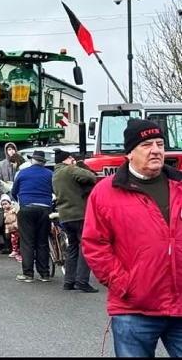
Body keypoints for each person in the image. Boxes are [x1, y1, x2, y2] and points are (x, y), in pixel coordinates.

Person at [83, 119, 182, 357]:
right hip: (133, 309)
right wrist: (125, 284)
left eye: (159, 143)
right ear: (130, 153)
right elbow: (95, 245)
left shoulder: (179, 185)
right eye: (147, 144)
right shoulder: (106, 192)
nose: (156, 150)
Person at [51, 148, 97, 293]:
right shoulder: (70, 170)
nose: (72, 160)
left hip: (65, 216)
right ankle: (82, 280)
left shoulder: (55, 174)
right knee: (86, 246)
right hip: (79, 214)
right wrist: (79, 165)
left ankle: (69, 281)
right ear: (66, 159)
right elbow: (90, 176)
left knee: (72, 247)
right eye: (70, 158)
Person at [12, 149, 53, 283]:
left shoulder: (22, 173)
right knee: (42, 241)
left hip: (27, 208)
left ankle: (28, 274)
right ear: (43, 162)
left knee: (27, 241)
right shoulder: (49, 174)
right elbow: (54, 190)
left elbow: (14, 192)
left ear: (31, 160)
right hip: (45, 209)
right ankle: (44, 274)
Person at [0, 194, 21, 261]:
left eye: (5, 204)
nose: (4, 206)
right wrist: (7, 230)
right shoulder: (5, 213)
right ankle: (15, 251)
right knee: (13, 240)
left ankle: (18, 251)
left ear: (9, 203)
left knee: (17, 240)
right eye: (3, 205)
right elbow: (6, 222)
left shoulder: (13, 209)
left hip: (16, 227)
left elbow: (18, 213)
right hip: (11, 228)